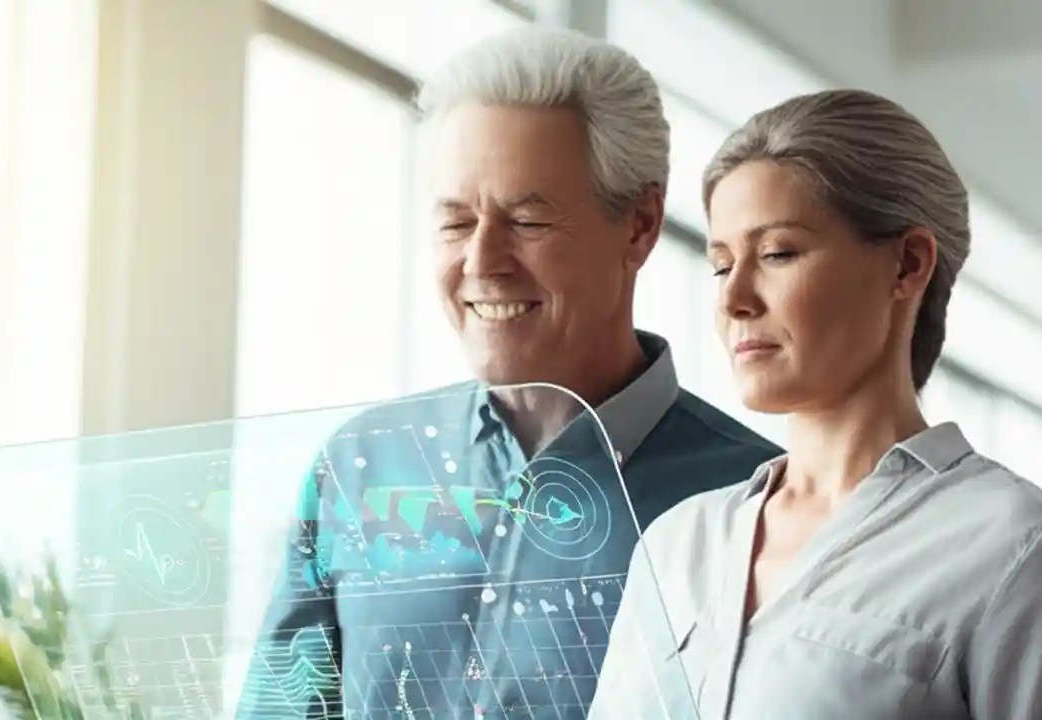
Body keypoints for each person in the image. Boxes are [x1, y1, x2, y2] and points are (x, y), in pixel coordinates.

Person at [236, 27, 782, 719]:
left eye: (526, 220)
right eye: (456, 223)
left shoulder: (761, 501)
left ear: (640, 226)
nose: (483, 261)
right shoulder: (361, 465)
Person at [591, 89, 1042, 720]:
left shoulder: (1011, 547)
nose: (734, 299)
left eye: (778, 253)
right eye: (721, 265)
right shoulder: (678, 544)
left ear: (908, 264)